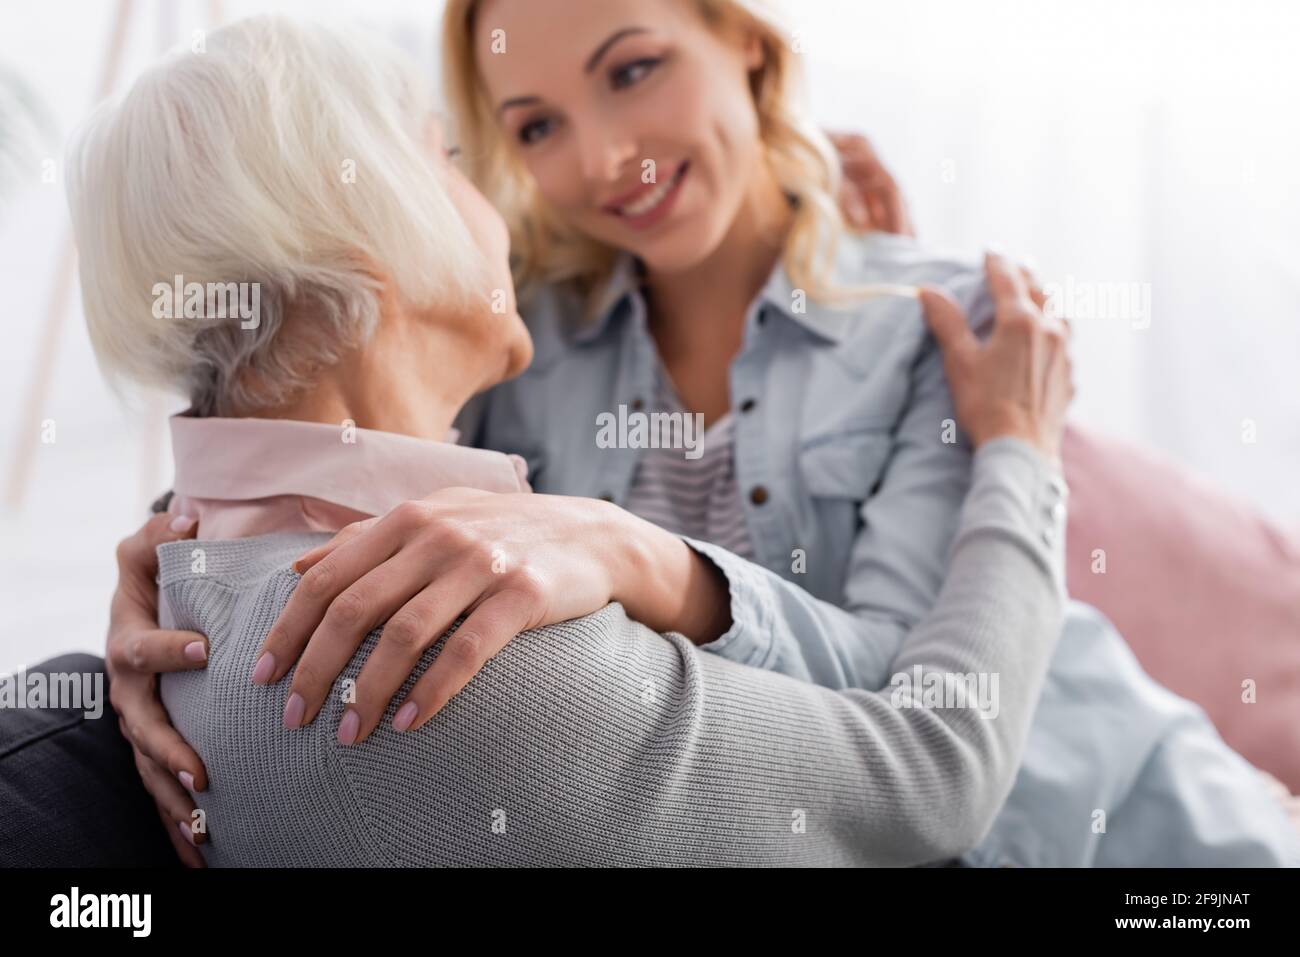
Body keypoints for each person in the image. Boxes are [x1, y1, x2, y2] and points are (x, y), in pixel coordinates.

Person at [105, 0, 1300, 867]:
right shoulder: (529, 344)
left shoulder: (937, 321)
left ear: (748, 43)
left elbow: (919, 703)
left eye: (633, 70)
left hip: (1111, 821)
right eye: (532, 129)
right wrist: (172, 563)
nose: (602, 158)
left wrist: (656, 566)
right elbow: (318, 388)